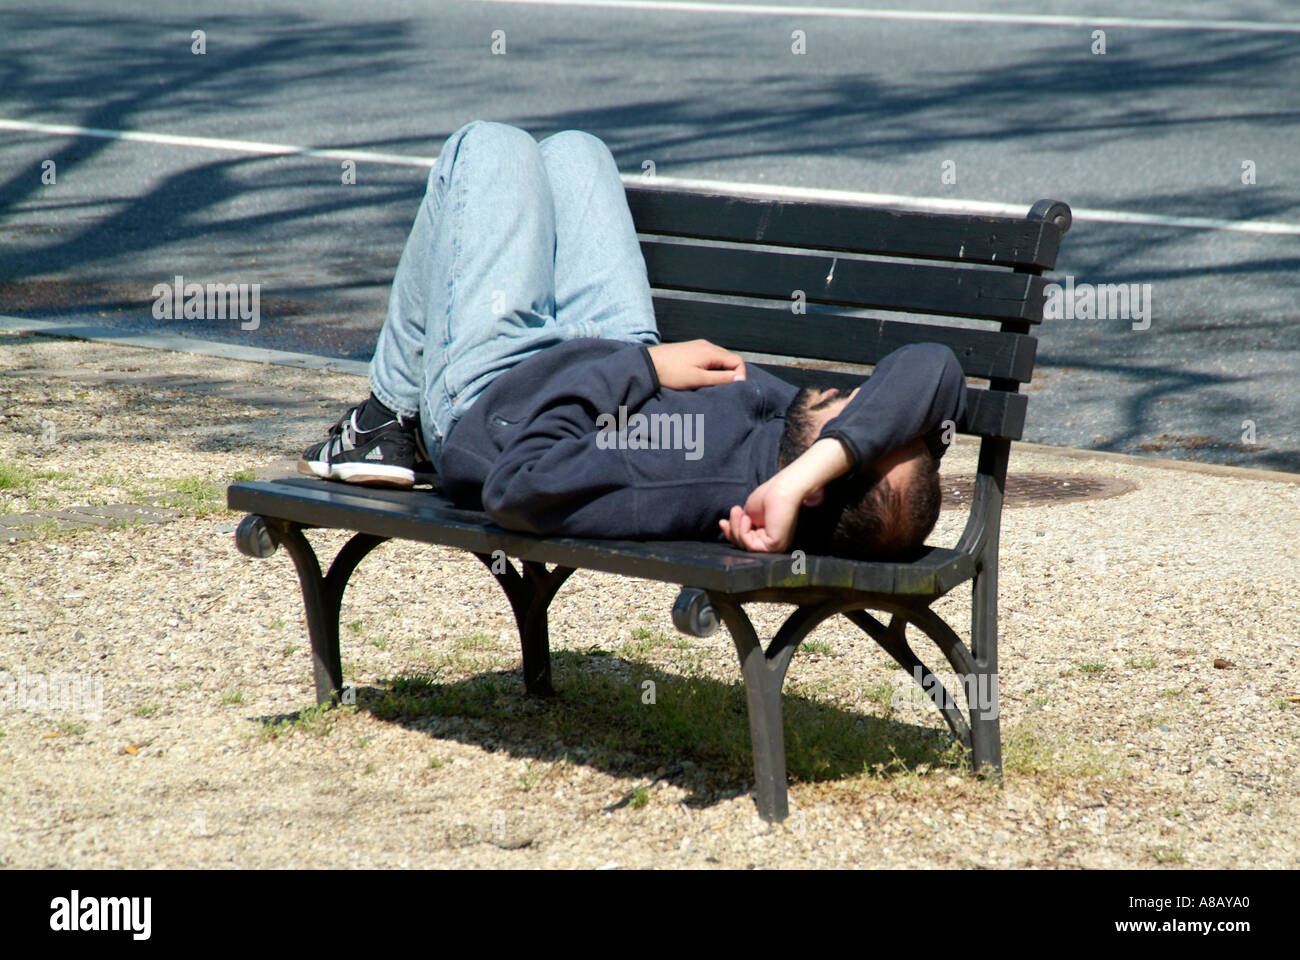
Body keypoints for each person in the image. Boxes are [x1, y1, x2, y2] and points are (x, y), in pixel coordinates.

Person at [300, 121, 967, 560]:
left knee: (490, 145)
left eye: (860, 427)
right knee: (576, 152)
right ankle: (383, 417)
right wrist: (816, 465)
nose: (863, 398)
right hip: (610, 352)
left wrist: (643, 367)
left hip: (496, 392)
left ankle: (393, 415)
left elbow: (522, 487)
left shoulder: (685, 470)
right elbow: (934, 366)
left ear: (818, 490)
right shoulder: (797, 442)